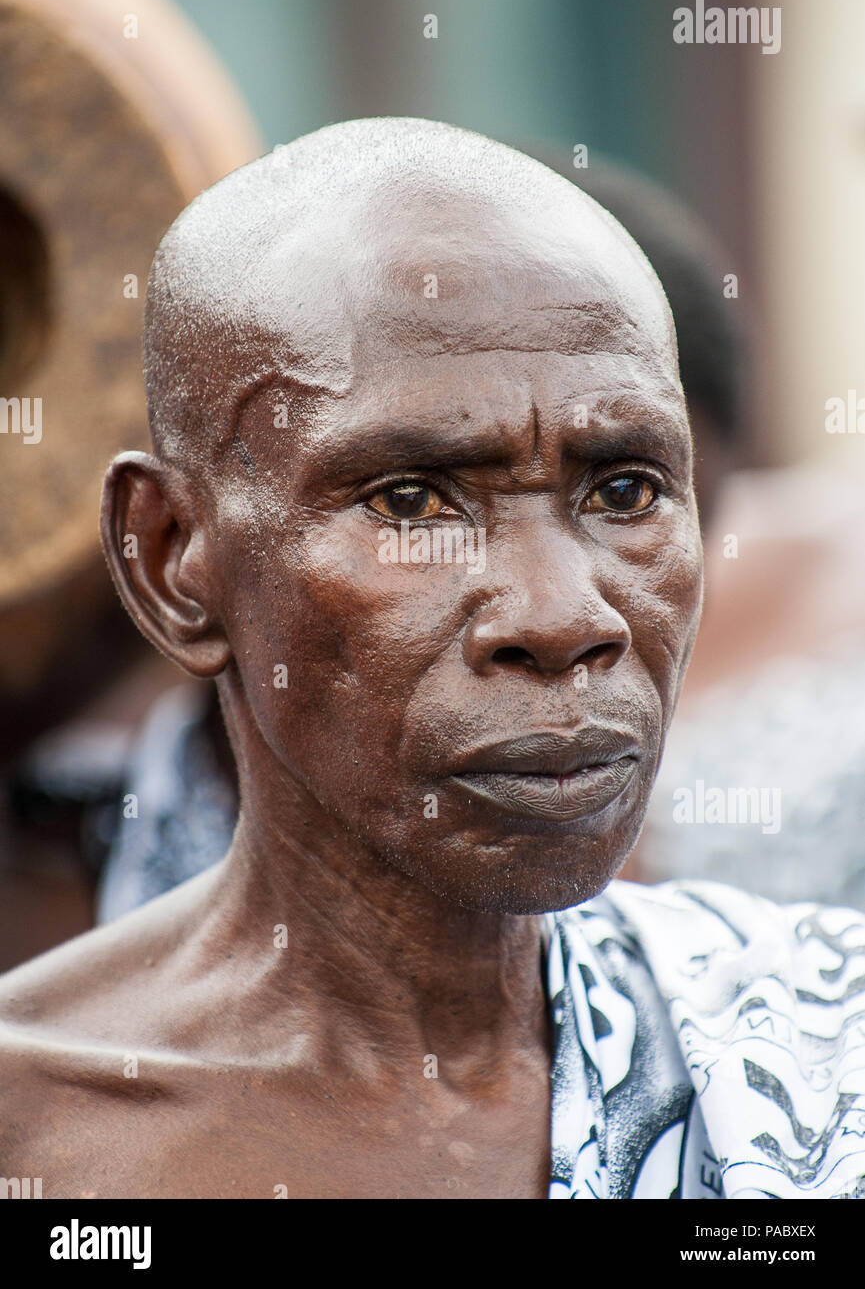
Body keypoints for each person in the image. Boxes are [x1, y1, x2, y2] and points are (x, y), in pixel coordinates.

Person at [0, 119, 862, 1200]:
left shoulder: (823, 1052)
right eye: (409, 500)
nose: (562, 617)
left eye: (625, 489)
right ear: (177, 559)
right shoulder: (38, 1135)